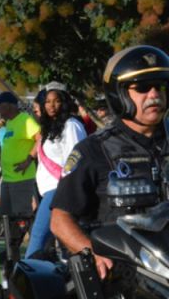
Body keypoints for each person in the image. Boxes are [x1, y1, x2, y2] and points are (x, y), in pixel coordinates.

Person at [52, 46, 169, 293]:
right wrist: (91, 253)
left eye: (160, 86)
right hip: (122, 279)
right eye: (142, 88)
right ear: (119, 94)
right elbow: (60, 220)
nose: (154, 95)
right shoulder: (94, 150)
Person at [26, 82, 86, 259]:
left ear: (64, 102)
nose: (51, 105)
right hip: (48, 191)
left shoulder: (71, 125)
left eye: (56, 101)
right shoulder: (50, 127)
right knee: (63, 242)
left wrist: (68, 190)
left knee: (38, 236)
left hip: (60, 190)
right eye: (48, 102)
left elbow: (75, 158)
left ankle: (25, 277)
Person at [0, 91, 41, 217]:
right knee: (6, 216)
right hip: (7, 178)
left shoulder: (25, 120)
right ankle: (13, 237)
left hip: (21, 178)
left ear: (9, 106)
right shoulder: (9, 122)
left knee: (21, 216)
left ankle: (29, 236)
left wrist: (28, 160)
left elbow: (40, 139)